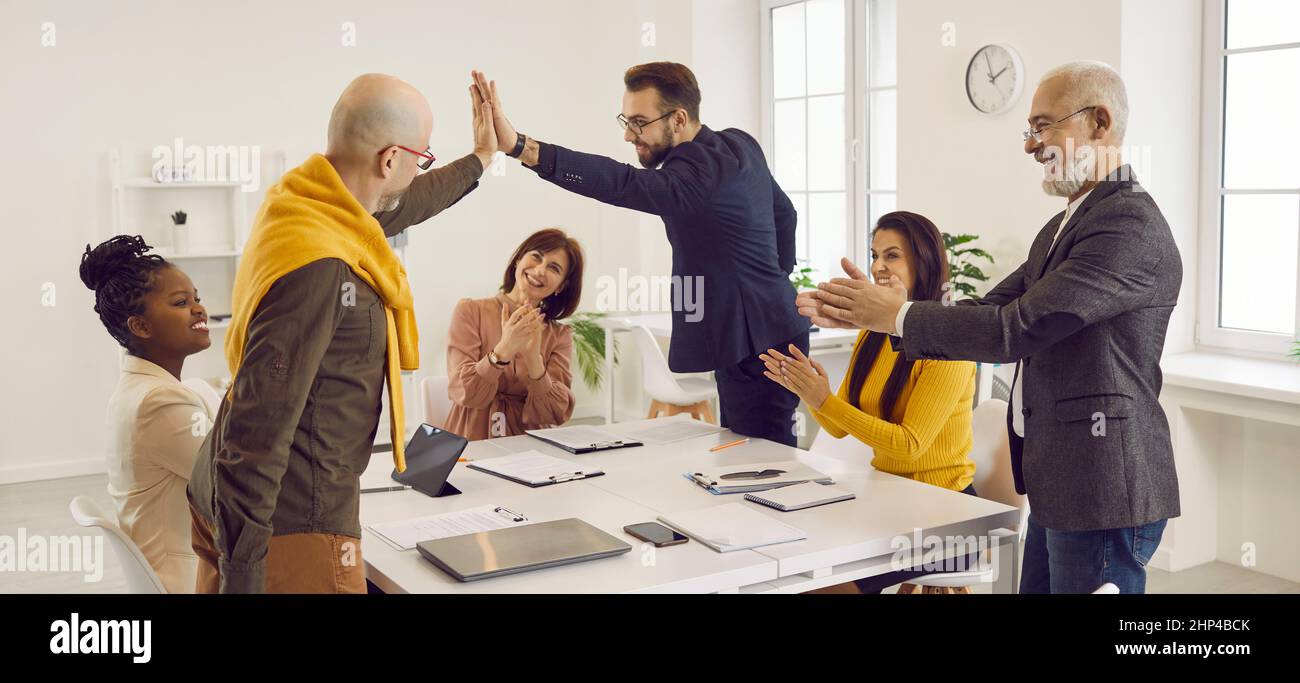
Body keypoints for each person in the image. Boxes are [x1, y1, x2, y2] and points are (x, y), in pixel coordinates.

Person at [797, 61, 1181, 594]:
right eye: (1030, 130)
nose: (1030, 145)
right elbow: (988, 307)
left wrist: (896, 316)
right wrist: (866, 314)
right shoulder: (1064, 224)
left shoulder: (1127, 225)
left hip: (1102, 482)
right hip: (1059, 476)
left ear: (1099, 121)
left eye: (1042, 126)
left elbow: (1014, 329)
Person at [187, 73, 498, 593]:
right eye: (421, 158)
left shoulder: (303, 205)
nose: (419, 170)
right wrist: (244, 575)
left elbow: (404, 204)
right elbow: (259, 426)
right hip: (292, 517)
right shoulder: (323, 265)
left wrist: (482, 157)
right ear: (389, 159)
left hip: (227, 495)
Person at [469, 63, 809, 446]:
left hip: (752, 336)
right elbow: (785, 213)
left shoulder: (693, 172)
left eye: (640, 122)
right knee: (755, 449)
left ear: (679, 119)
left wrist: (521, 147)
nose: (630, 135)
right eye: (626, 121)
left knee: (762, 459)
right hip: (772, 323)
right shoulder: (738, 143)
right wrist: (771, 283)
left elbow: (622, 182)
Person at [760, 212, 978, 593]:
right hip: (888, 501)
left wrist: (826, 400)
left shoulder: (949, 342)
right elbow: (839, 425)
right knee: (788, 565)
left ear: (923, 261)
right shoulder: (875, 334)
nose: (878, 266)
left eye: (892, 256)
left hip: (946, 517)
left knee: (820, 585)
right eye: (874, 255)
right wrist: (812, 395)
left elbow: (909, 446)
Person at [80, 235, 214, 593]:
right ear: (140, 326)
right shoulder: (159, 401)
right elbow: (236, 486)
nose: (199, 309)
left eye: (197, 299)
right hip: (189, 581)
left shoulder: (139, 391)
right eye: (181, 302)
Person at [445, 228, 583, 439]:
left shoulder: (560, 335)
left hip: (529, 445)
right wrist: (503, 350)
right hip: (470, 440)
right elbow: (462, 390)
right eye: (536, 257)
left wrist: (534, 360)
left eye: (553, 268)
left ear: (561, 286)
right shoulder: (470, 311)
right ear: (519, 260)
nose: (539, 270)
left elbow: (556, 412)